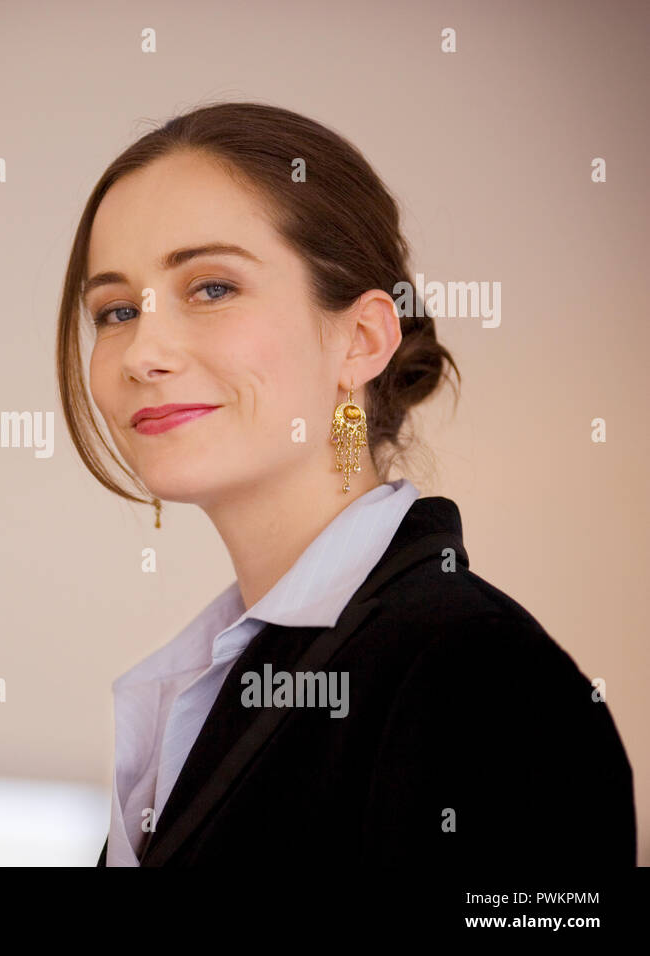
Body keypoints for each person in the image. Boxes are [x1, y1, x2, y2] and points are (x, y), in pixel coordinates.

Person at [53, 102, 636, 868]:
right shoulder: (217, 678)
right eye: (118, 309)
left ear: (361, 340)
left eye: (211, 288)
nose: (143, 353)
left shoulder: (486, 680)